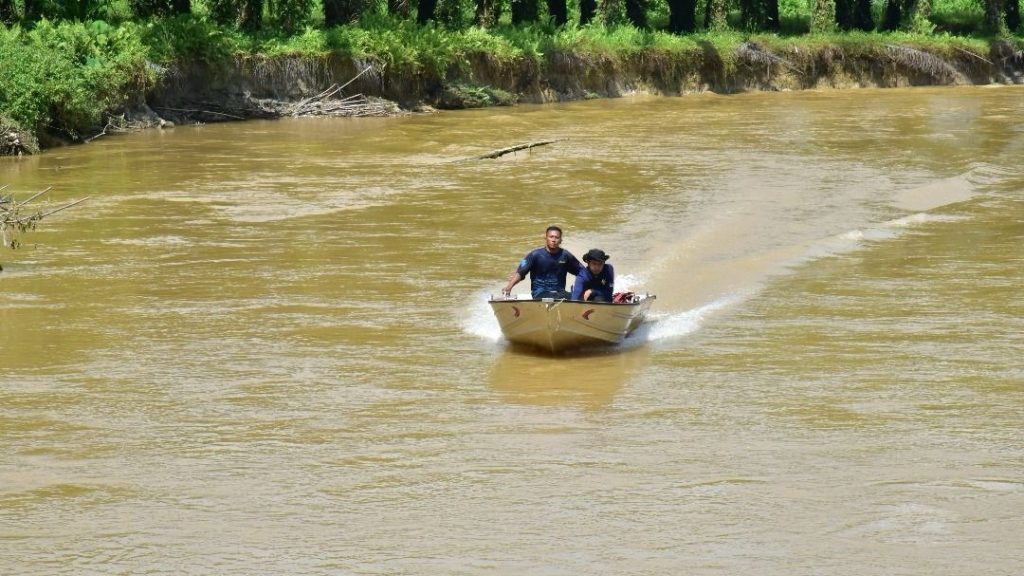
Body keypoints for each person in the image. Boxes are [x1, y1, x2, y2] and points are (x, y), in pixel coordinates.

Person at [502, 225, 582, 299]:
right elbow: (520, 272)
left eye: (557, 237)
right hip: (539, 293)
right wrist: (509, 287)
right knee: (556, 297)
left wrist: (589, 290)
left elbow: (583, 273)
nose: (553, 240)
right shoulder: (534, 255)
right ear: (546, 238)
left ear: (561, 240)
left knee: (579, 298)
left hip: (560, 292)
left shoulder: (566, 255)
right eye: (551, 237)